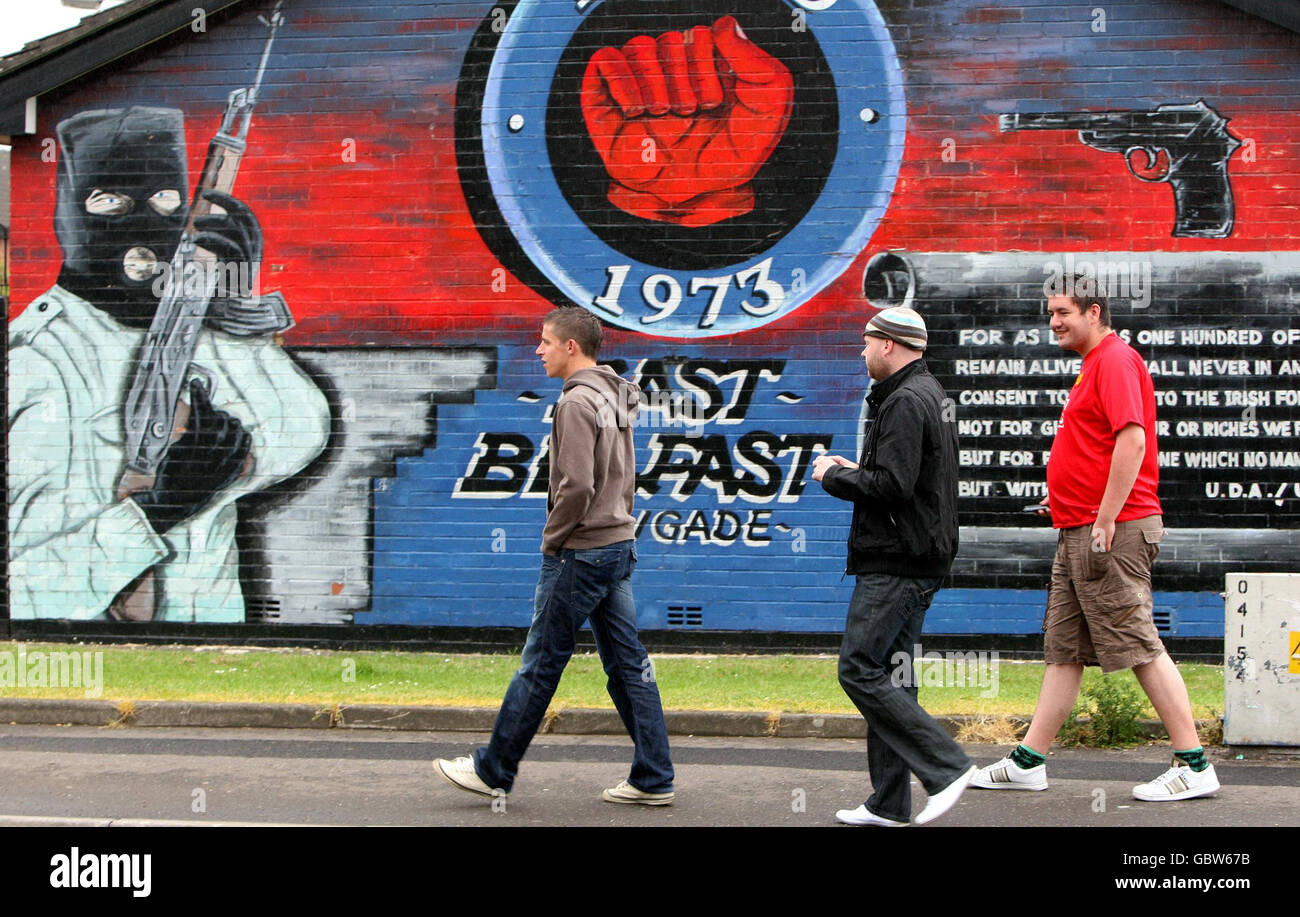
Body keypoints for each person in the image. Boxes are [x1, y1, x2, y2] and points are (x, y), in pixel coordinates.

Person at [7, 106, 329, 622]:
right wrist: (153, 513)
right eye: (109, 201)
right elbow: (22, 595)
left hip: (219, 661)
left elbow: (300, 434)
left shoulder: (198, 328)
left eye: (165, 200)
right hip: (112, 673)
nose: (143, 223)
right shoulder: (36, 362)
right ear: (70, 212)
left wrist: (234, 307)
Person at [971, 279, 1219, 801]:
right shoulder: (1094, 365)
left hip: (1112, 532)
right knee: (1063, 651)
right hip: (1080, 527)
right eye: (1050, 313)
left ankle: (1194, 764)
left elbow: (1133, 438)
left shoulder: (1113, 360)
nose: (1054, 322)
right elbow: (1099, 447)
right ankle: (1028, 762)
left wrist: (1105, 518)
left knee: (1140, 646)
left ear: (1094, 312)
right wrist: (1065, 500)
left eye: (1063, 312)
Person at [435, 306, 675, 805]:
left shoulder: (575, 404)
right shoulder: (612, 396)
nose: (537, 350)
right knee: (629, 665)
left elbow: (578, 483)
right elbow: (621, 478)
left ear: (572, 347)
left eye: (545, 342)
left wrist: (554, 538)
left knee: (542, 662)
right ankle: (654, 777)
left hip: (581, 552)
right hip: (616, 546)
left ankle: (493, 769)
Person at [811, 306, 976, 826]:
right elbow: (901, 476)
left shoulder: (904, 400)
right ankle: (889, 804)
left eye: (865, 343)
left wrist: (832, 478)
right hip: (918, 552)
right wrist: (858, 469)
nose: (861, 353)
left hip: (898, 560)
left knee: (858, 667)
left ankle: (946, 766)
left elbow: (891, 487)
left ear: (888, 345)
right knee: (892, 675)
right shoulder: (924, 392)